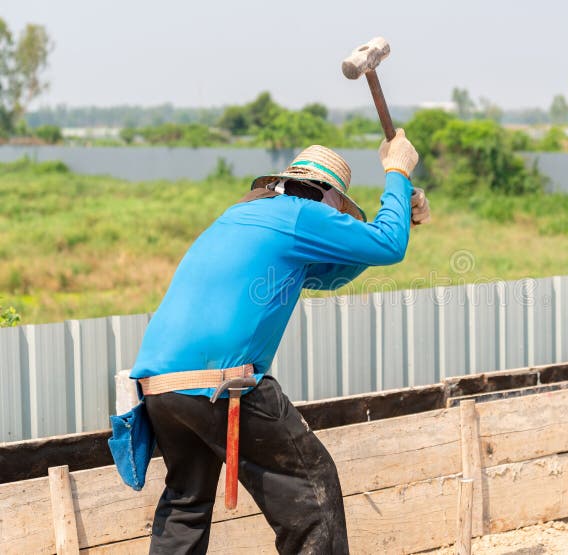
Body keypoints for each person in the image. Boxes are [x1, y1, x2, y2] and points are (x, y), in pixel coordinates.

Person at [129, 130, 428, 554]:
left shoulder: (245, 217)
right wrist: (397, 173)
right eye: (341, 209)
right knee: (313, 492)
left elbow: (337, 271)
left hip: (162, 389)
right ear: (327, 198)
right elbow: (385, 245)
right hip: (222, 383)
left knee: (186, 505)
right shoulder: (302, 215)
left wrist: (403, 215)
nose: (340, 218)